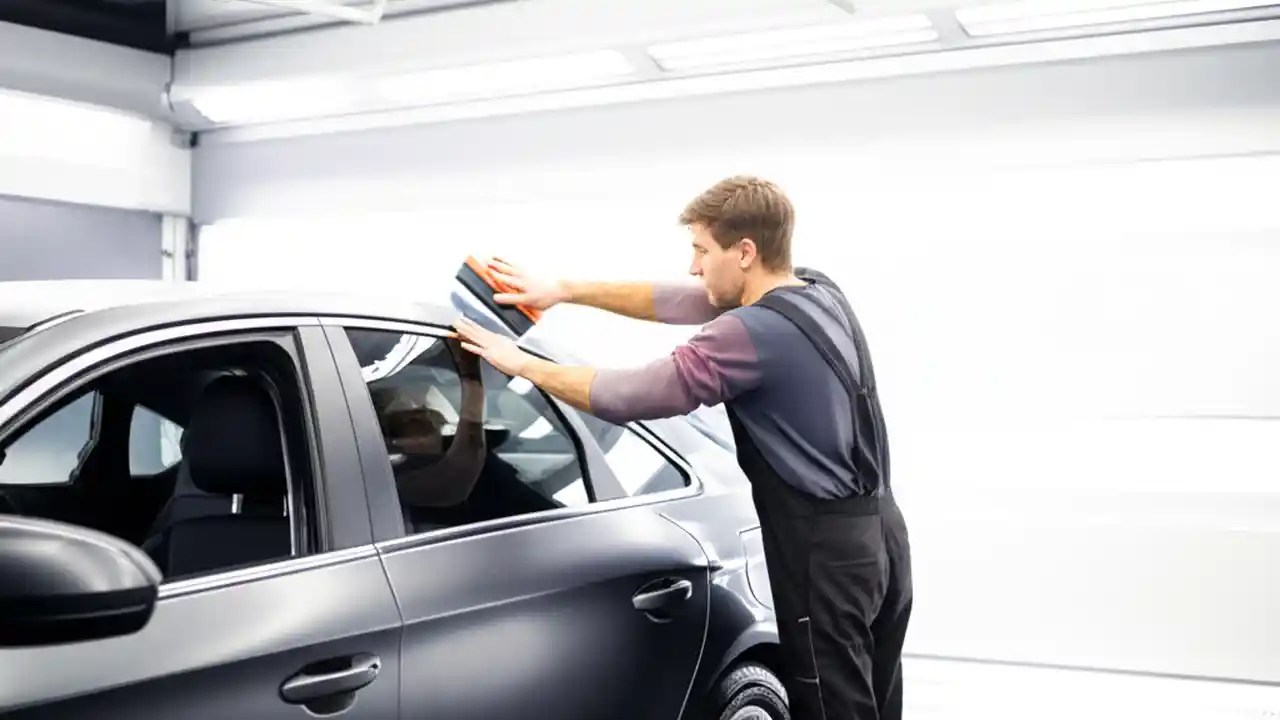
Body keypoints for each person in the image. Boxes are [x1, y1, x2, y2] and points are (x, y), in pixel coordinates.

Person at [453, 175, 912, 720]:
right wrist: (563, 291)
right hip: (881, 539)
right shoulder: (817, 291)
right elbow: (680, 300)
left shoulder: (750, 333)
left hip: (823, 558)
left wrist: (523, 364)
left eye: (701, 250)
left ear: (745, 252)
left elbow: (627, 395)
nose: (693, 266)